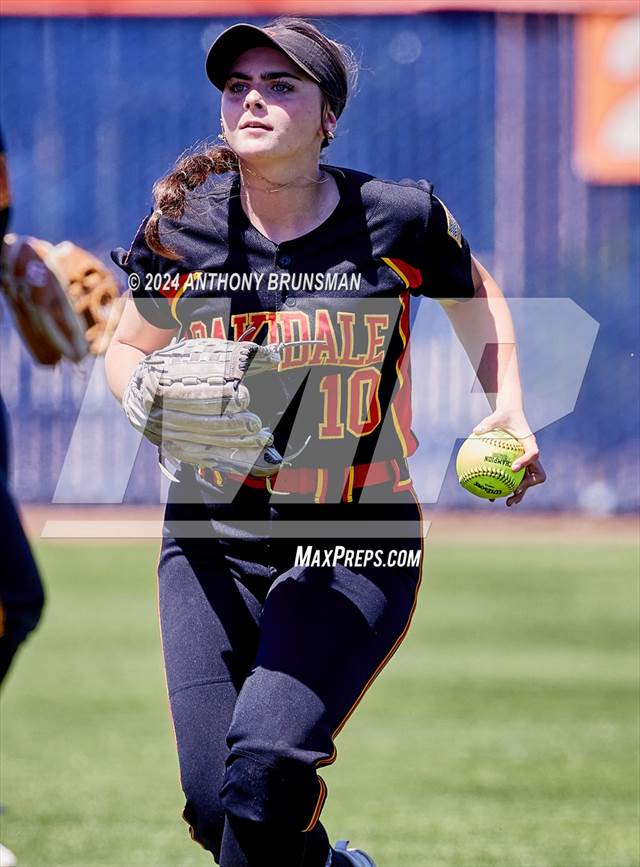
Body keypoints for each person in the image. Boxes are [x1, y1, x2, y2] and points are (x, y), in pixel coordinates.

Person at [106, 17, 546, 867]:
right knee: (217, 805)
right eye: (238, 86)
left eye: (281, 85)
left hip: (355, 536)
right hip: (211, 538)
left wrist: (510, 408)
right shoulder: (187, 224)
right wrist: (154, 406)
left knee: (265, 772)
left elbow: (473, 290)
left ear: (328, 116)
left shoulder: (397, 218)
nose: (253, 99)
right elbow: (128, 348)